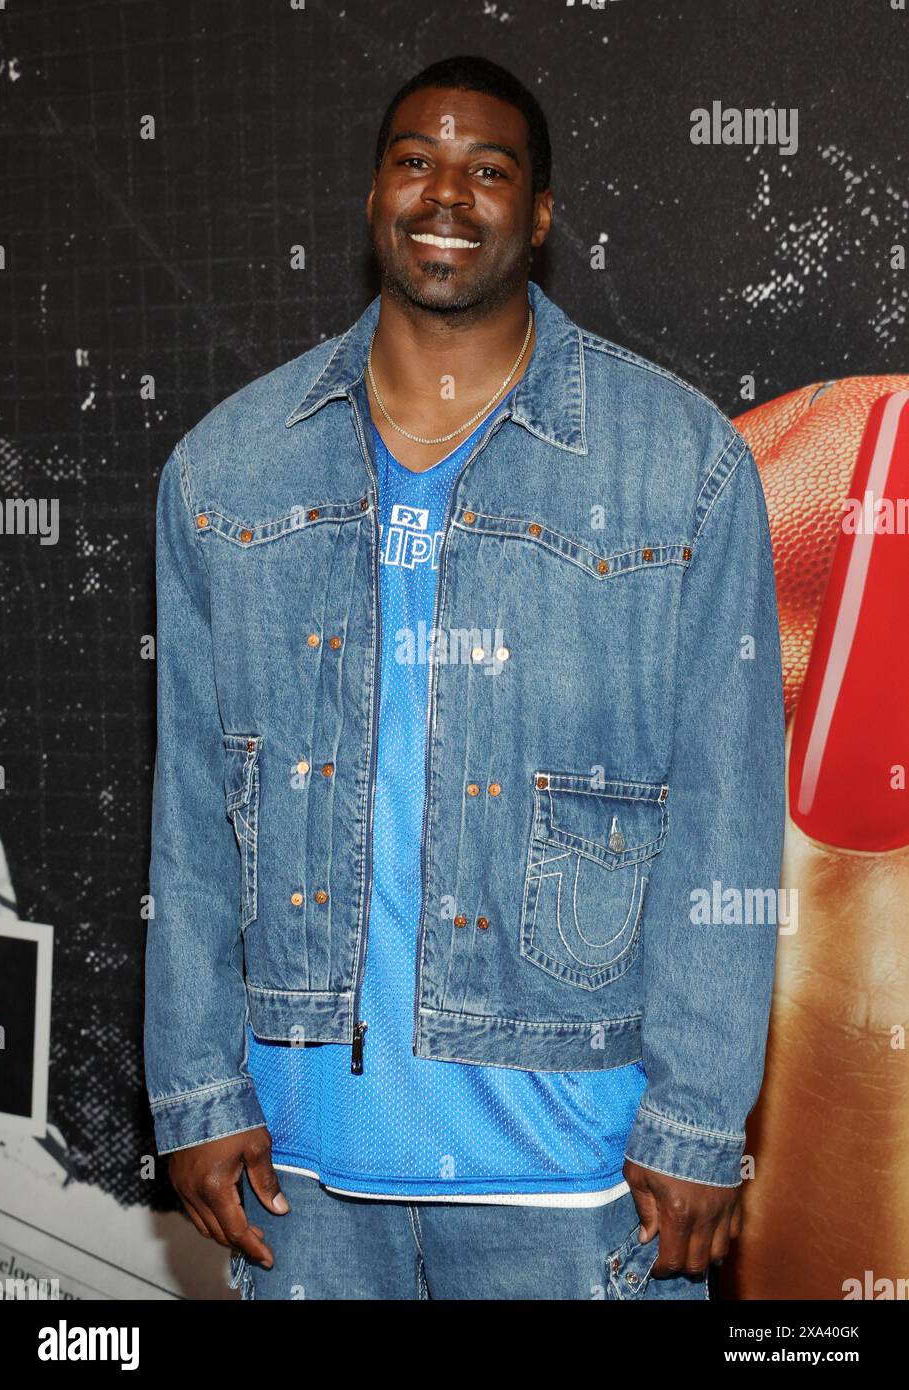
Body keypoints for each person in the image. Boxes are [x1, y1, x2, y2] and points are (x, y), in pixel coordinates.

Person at [143, 54, 786, 1301]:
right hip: (305, 1177)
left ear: (538, 215)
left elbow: (729, 817)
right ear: (374, 194)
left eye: (489, 168)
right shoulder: (224, 472)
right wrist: (192, 1087)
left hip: (577, 1173)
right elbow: (190, 821)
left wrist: (702, 1118)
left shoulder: (681, 465)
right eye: (416, 161)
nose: (449, 193)